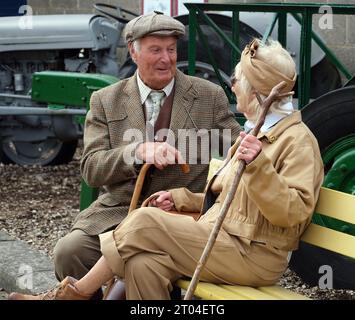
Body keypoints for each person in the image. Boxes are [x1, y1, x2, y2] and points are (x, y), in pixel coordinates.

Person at [9, 38, 324, 300]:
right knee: (143, 265)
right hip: (222, 238)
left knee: (145, 221)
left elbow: (293, 213)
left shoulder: (297, 142)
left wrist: (258, 167)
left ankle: (71, 294)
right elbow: (229, 199)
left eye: (237, 80)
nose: (232, 86)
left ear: (258, 91)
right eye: (155, 49)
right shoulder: (255, 132)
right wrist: (181, 198)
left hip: (253, 254)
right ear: (134, 52)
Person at [19, 11, 240, 300]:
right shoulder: (106, 100)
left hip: (181, 217)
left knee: (139, 264)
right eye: (155, 50)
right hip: (118, 212)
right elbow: (91, 168)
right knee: (68, 251)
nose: (166, 58)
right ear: (134, 52)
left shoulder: (207, 95)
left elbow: (237, 148)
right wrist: (136, 152)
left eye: (171, 50)